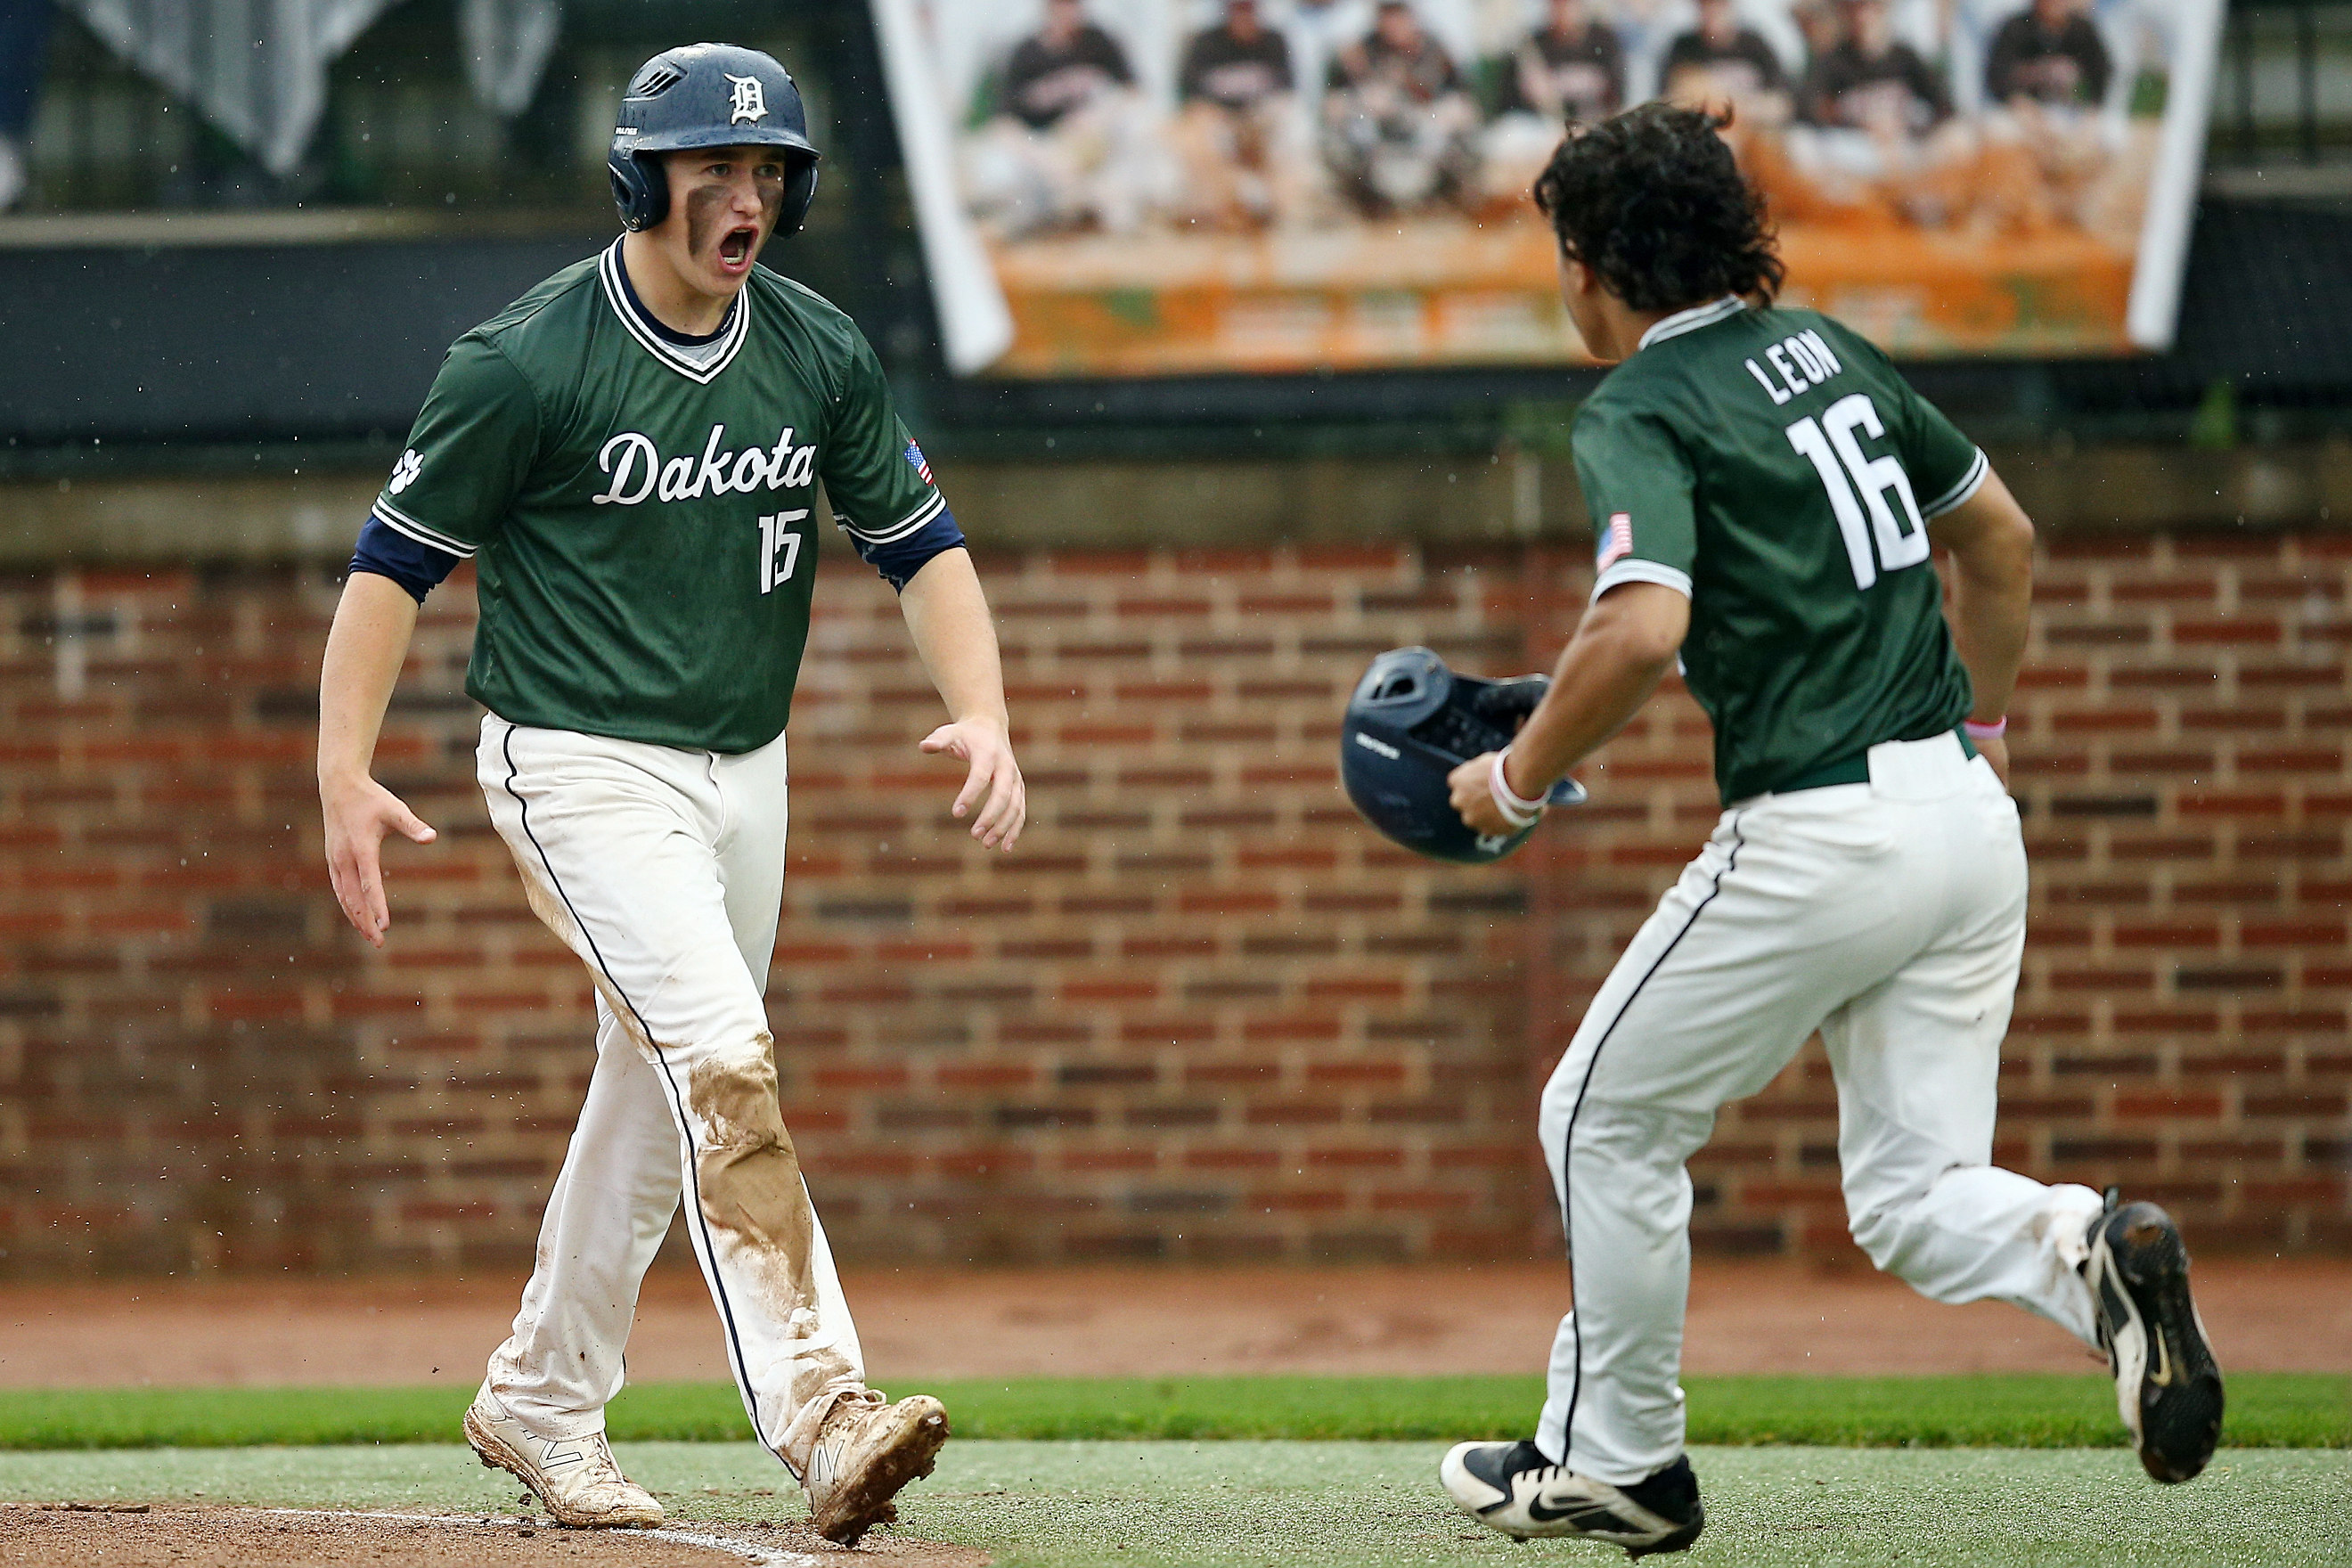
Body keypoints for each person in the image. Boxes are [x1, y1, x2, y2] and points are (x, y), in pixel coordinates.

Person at [1433, 103, 2222, 1553]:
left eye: (1561, 253)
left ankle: (1623, 1462)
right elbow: (2002, 541)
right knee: (1919, 1201)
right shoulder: (1835, 357)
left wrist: (1518, 780)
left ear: (1599, 263)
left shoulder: (1639, 405)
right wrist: (1976, 734)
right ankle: (2083, 1246)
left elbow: (1640, 624)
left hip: (1822, 831)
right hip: (1966, 819)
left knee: (1599, 1118)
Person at [317, 44, 1025, 1545]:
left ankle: (540, 1396)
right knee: (720, 1055)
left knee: (661, 1084)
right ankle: (823, 1413)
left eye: (766, 169)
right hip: (572, 758)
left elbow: (921, 542)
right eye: (713, 166)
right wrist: (342, 771)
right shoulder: (526, 358)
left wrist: (985, 713)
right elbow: (393, 568)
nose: (744, 193)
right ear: (645, 178)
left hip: (740, 763)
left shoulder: (817, 349)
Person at [962, 0, 1162, 237]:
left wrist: (1096, 118)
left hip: (1098, 144)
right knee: (996, 167)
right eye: (1061, 4)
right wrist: (1043, 158)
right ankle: (1029, 221)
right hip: (1049, 149)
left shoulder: (1099, 41)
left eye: (1073, 4)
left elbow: (1134, 93)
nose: (1068, 11)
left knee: (1141, 125)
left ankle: (1127, 211)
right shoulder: (1025, 52)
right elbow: (1003, 123)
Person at [1322, 0, 1482, 214]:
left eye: (1398, 13)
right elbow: (1332, 105)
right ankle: (1367, 205)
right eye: (1386, 14)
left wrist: (1438, 111)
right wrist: (1362, 101)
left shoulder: (1436, 50)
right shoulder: (1359, 51)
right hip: (1379, 144)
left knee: (1463, 138)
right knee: (1341, 140)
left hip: (1425, 136)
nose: (1393, 23)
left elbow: (1466, 104)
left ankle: (1443, 201)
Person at [1172, 0, 1309, 228]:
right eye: (1238, 10)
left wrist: (1257, 119)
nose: (1243, 17)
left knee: (1293, 122)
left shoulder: (1274, 40)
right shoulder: (1204, 42)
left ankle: (1286, 206)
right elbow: (1189, 98)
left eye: (1248, 10)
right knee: (1195, 131)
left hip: (1260, 120)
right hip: (1220, 120)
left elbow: (1288, 92)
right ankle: (1214, 207)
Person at [1502, 0, 1628, 125]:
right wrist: (1529, 91)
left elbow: (1618, 92)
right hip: (1544, 125)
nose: (1564, 11)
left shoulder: (1604, 40)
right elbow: (1511, 100)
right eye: (1558, 5)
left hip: (1597, 122)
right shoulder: (1534, 45)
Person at [1985, 0, 2112, 108]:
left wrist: (2092, 109)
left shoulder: (2082, 30)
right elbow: (1997, 75)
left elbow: (2102, 71)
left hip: (2072, 112)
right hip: (2023, 110)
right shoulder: (2017, 27)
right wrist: (2018, 103)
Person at [1660, 0, 1789, 106]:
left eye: (1718, 6)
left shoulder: (1754, 44)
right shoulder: (1684, 47)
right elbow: (1668, 98)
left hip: (1750, 128)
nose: (1712, 12)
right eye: (1706, 6)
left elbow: (1782, 100)